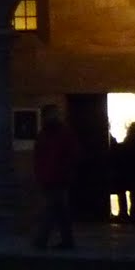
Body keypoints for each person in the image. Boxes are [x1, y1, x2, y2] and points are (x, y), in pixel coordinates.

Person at [32, 105, 80, 251]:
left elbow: (72, 155)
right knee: (59, 211)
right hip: (52, 177)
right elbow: (39, 157)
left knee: (51, 210)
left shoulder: (60, 134)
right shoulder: (48, 135)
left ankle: (42, 240)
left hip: (57, 177)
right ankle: (67, 241)